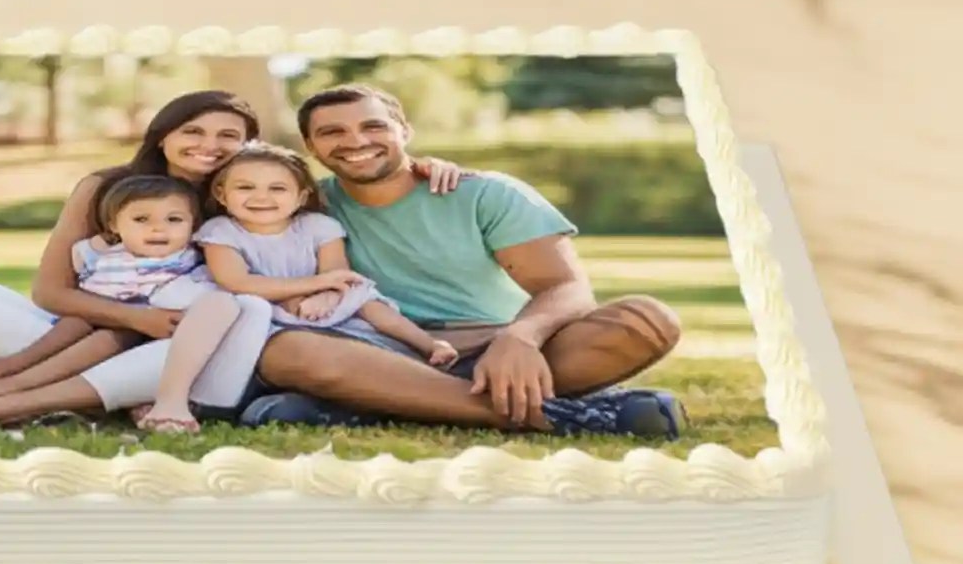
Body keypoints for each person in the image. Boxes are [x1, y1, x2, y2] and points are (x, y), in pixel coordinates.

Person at [0, 90, 466, 427]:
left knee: (235, 312)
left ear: (247, 145)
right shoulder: (108, 189)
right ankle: (44, 390)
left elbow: (327, 189)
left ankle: (39, 401)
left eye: (228, 136)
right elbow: (51, 293)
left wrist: (419, 164)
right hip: (97, 326)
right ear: (164, 136)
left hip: (197, 348)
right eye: (193, 131)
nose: (208, 145)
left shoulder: (244, 198)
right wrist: (136, 319)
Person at [240, 84, 687, 438]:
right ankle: (560, 416)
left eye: (373, 126)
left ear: (404, 132)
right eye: (332, 132)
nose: (355, 141)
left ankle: (373, 407)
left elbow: (566, 287)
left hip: (499, 349)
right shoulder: (300, 204)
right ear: (311, 147)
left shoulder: (485, 193)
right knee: (286, 352)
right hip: (379, 353)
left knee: (647, 320)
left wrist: (521, 337)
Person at [0, 175, 267, 434]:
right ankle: (17, 374)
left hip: (147, 347)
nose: (158, 228)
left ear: (193, 227)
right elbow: (72, 285)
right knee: (79, 323)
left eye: (174, 220)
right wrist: (127, 313)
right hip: (95, 325)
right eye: (141, 219)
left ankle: (13, 392)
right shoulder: (104, 253)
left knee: (114, 337)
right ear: (114, 226)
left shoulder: (194, 259)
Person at [196, 142, 460, 367]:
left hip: (324, 297)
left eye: (277, 189)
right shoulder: (220, 232)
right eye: (245, 188)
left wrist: (327, 294)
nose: (261, 197)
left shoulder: (318, 226)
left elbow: (335, 273)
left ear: (301, 197)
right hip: (267, 309)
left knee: (366, 300)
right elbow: (236, 282)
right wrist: (312, 288)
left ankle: (429, 344)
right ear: (221, 194)